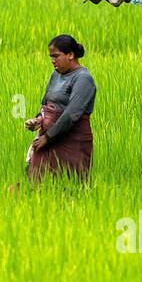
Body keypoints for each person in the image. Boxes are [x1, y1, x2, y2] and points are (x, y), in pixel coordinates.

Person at [24, 35, 95, 182]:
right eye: (51, 56)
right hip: (48, 136)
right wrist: (38, 120)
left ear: (70, 55)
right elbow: (46, 103)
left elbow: (71, 115)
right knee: (38, 184)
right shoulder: (56, 75)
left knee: (69, 184)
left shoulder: (83, 79)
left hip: (71, 141)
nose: (52, 60)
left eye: (56, 56)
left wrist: (48, 137)